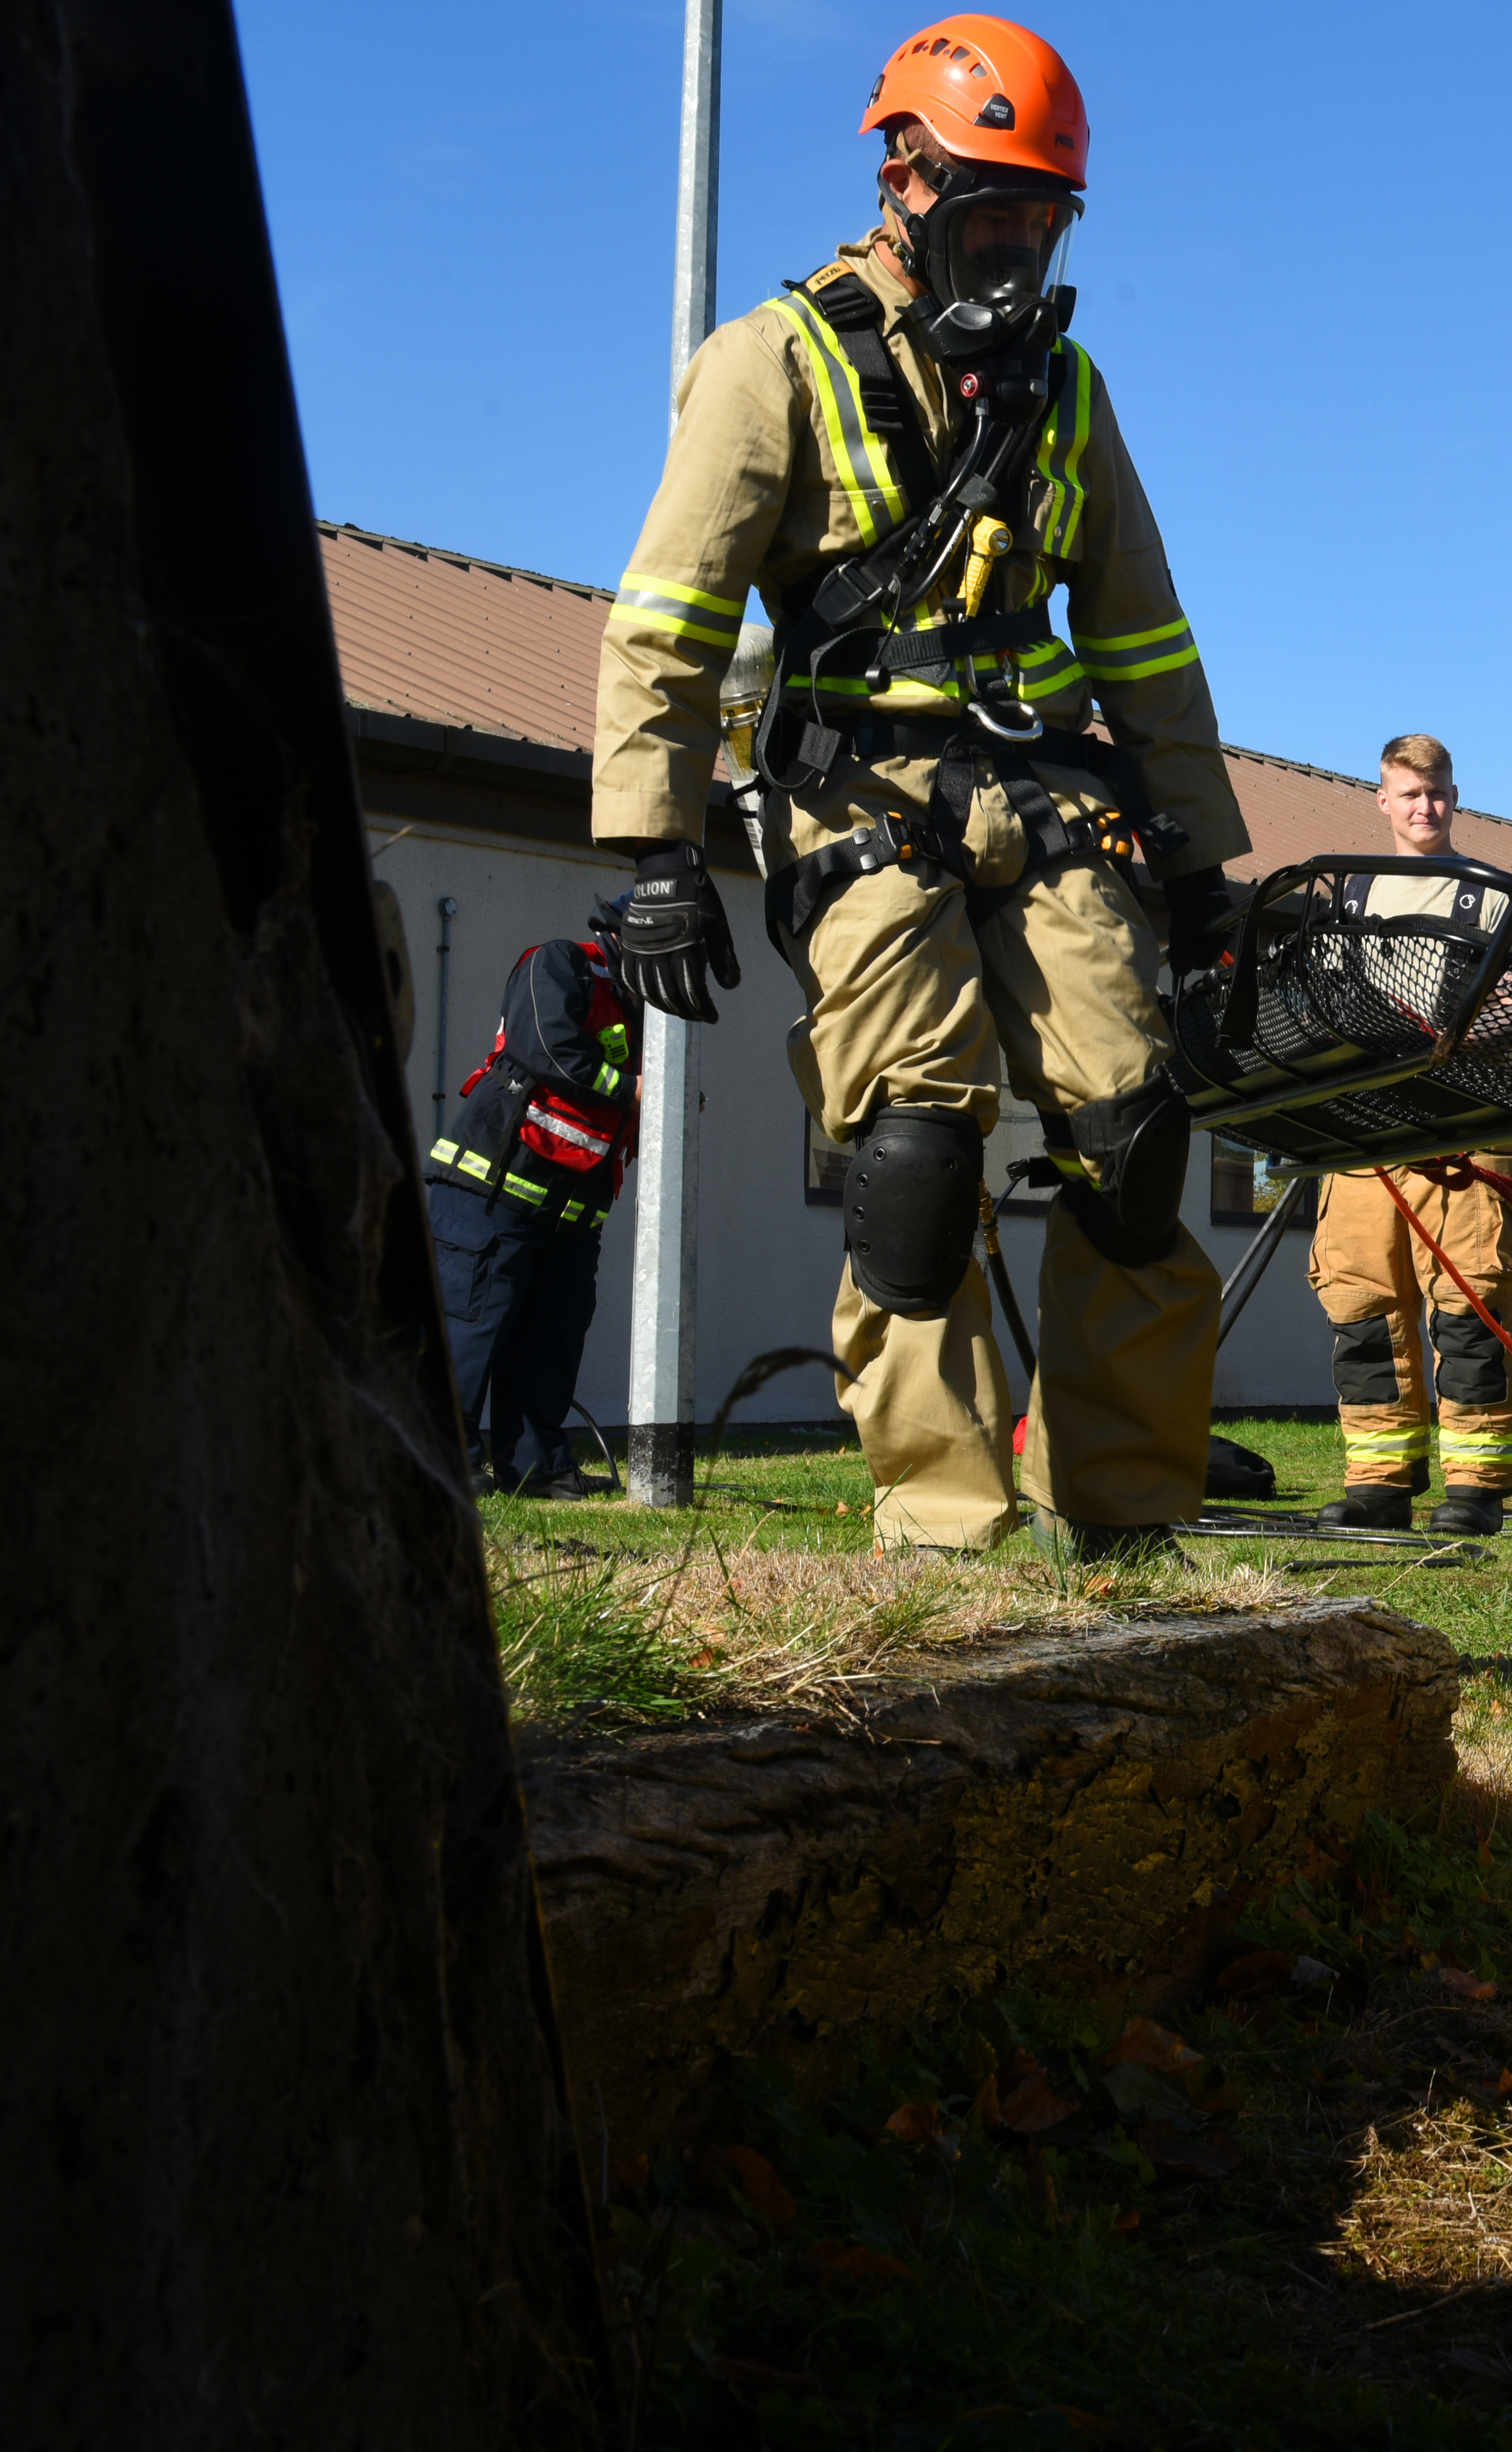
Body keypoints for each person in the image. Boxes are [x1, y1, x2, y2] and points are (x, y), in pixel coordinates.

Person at [590, 15, 1252, 1554]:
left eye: (1041, 217)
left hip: (1051, 795)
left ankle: (1131, 1528)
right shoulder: (772, 361)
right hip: (855, 795)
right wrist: (653, 849)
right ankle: (946, 1535)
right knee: (914, 1156)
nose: (1016, 249)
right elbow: (669, 616)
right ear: (904, 177)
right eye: (990, 213)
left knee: (1138, 1141)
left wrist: (1204, 866)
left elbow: (1147, 642)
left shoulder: (1069, 393)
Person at [1305, 735, 1512, 1539]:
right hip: (1366, 1141)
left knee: (1469, 1307)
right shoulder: (1352, 895)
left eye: (1437, 793)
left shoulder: (1492, 894)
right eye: (1408, 794)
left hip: (1467, 1137)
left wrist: (1453, 1036)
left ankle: (1475, 1488)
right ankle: (1380, 1481)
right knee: (1363, 1308)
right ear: (1383, 800)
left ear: (1455, 795)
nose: (1424, 807)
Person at [425, 913, 641, 1497]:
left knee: (552, 1337)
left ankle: (538, 1467)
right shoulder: (559, 964)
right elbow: (549, 1050)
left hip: (572, 1218)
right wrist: (636, 1091)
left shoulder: (651, 1011)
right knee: (473, 1327)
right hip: (490, 1195)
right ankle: (448, 1464)